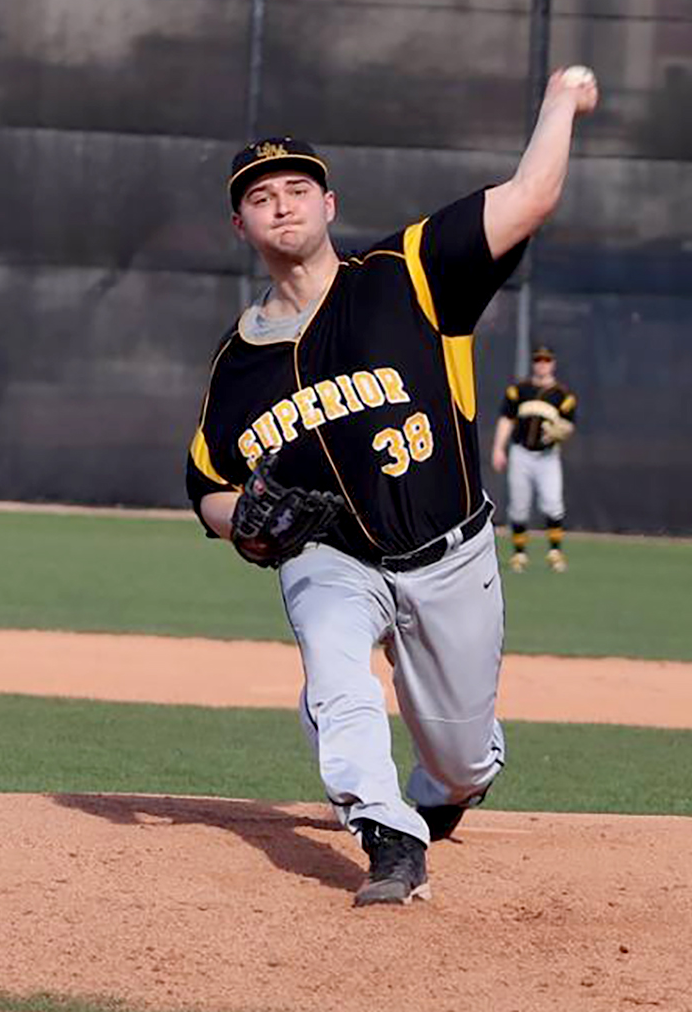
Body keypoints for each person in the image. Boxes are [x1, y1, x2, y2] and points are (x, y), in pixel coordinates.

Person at [183, 67, 600, 907]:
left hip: (450, 555)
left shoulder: (408, 273)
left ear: (329, 206)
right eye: (262, 197)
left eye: (299, 188)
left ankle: (448, 787)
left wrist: (559, 104)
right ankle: (387, 835)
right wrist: (245, 522)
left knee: (457, 759)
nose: (283, 205)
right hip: (332, 558)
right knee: (334, 680)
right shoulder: (236, 365)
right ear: (241, 225)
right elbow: (205, 484)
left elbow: (529, 196)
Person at [492, 344, 578, 573]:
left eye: (546, 360)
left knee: (552, 504)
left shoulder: (563, 395)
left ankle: (555, 552)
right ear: (533, 363)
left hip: (548, 457)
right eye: (538, 360)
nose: (542, 364)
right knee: (519, 507)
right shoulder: (518, 390)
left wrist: (562, 430)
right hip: (521, 454)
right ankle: (519, 555)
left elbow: (569, 425)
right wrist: (498, 448)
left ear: (553, 363)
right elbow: (506, 420)